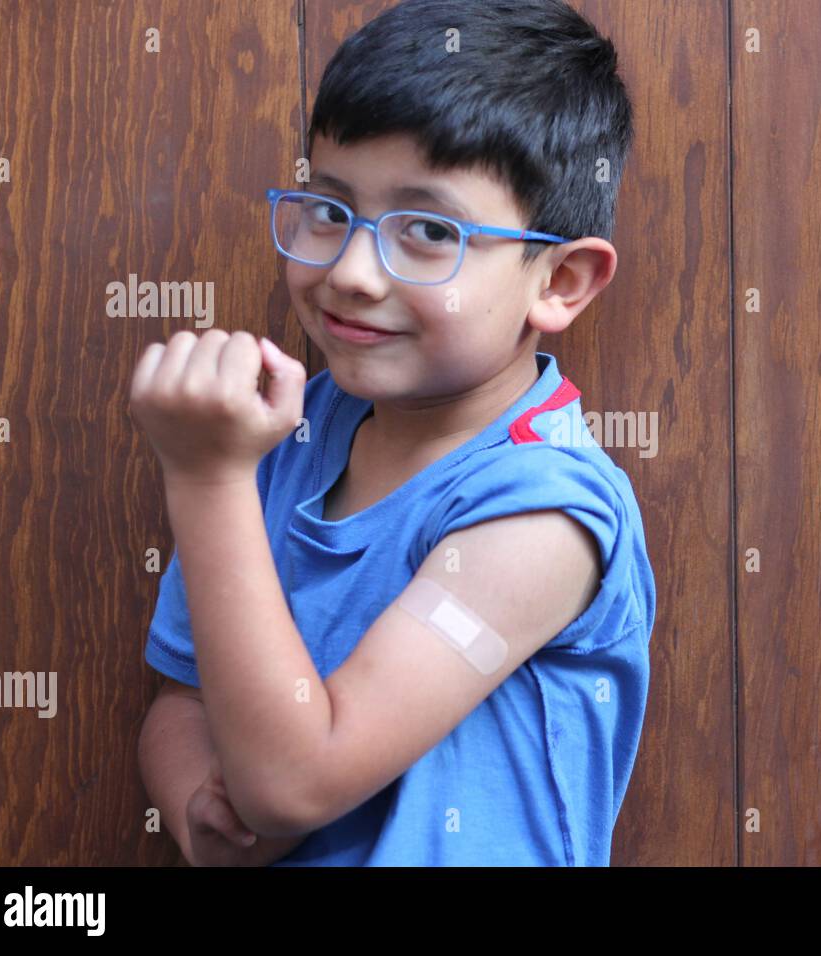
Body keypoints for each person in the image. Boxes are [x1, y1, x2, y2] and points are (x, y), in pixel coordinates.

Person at [132, 0, 653, 866]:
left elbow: (293, 784)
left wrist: (203, 480)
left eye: (429, 232)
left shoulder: (543, 512)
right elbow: (182, 697)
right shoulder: (284, 435)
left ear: (559, 281)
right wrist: (200, 807)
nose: (351, 271)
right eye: (328, 210)